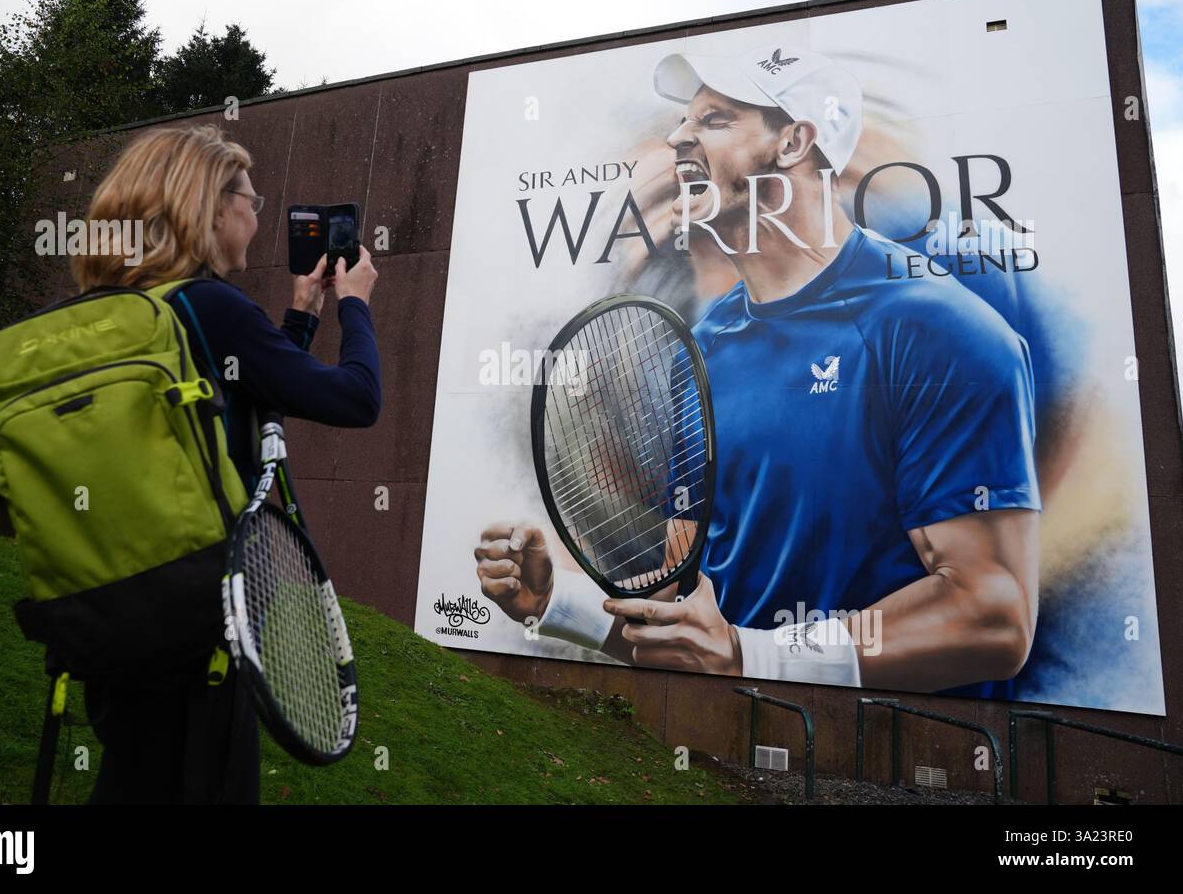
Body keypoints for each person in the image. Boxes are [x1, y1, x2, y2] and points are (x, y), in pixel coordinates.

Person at [475, 46, 1041, 697]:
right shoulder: (707, 342)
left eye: (713, 119)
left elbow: (992, 616)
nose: (678, 138)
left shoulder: (942, 331)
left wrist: (748, 655)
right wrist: (554, 603)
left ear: (795, 140)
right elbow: (682, 612)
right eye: (684, 122)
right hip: (711, 750)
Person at [69, 123, 381, 802]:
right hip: (198, 623)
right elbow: (357, 399)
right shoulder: (211, 304)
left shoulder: (116, 314)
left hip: (108, 613)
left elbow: (238, 398)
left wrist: (300, 314)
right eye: (250, 199)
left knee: (134, 780)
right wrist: (355, 305)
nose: (254, 212)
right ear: (211, 207)